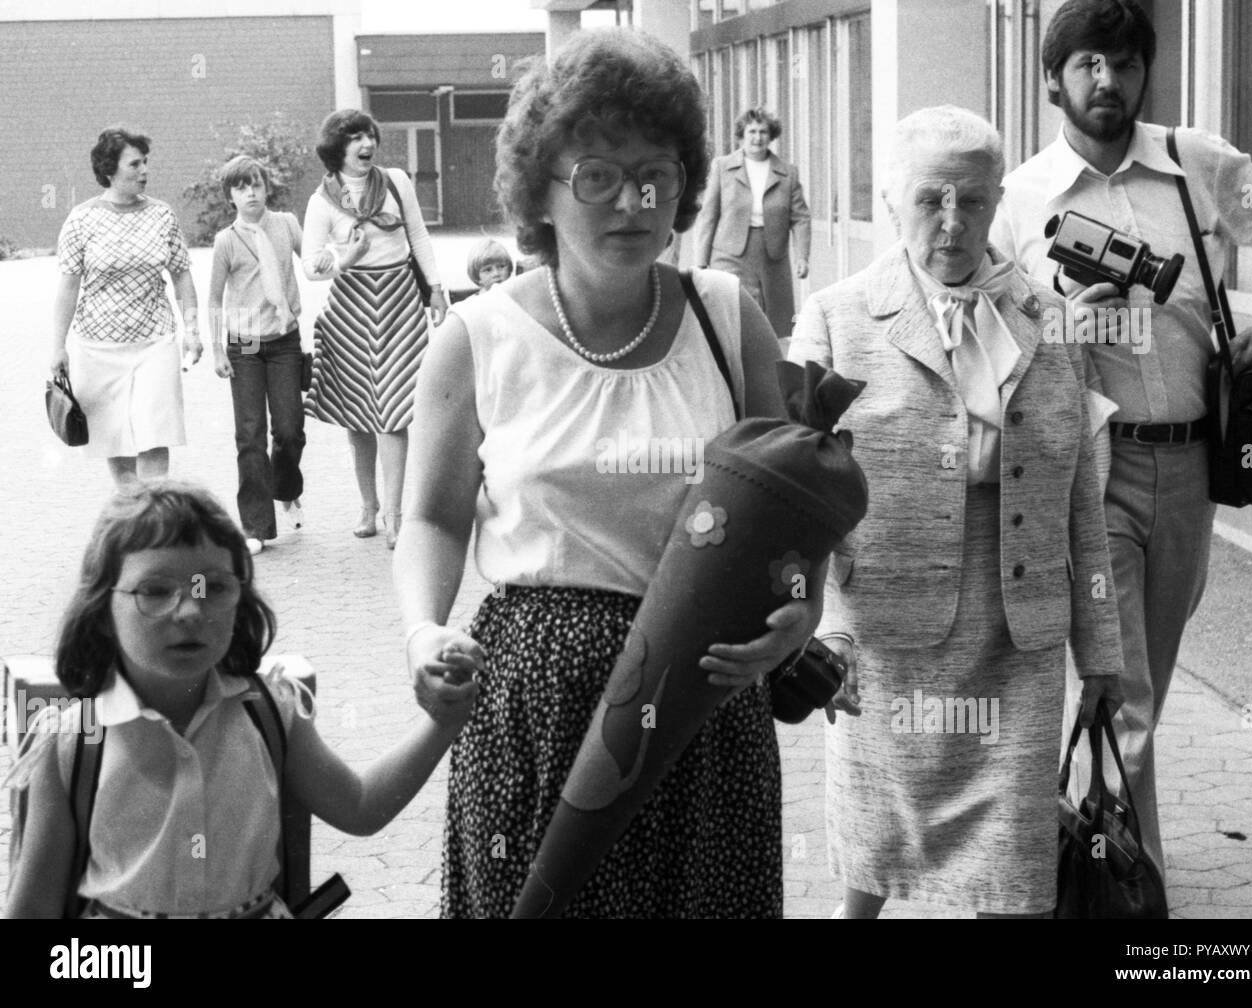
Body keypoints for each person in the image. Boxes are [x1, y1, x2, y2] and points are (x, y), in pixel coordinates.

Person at [394, 27, 820, 918]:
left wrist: (801, 613)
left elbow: (792, 510)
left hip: (705, 704)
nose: (632, 200)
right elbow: (432, 519)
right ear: (540, 191)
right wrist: (421, 631)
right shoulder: (477, 339)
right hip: (536, 710)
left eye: (656, 173)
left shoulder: (726, 314)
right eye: (597, 175)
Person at [989, 0, 1252, 876]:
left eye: (1124, 65)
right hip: (1095, 468)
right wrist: (1057, 324)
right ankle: (1133, 890)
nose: (1107, 82)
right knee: (1120, 689)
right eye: (1087, 64)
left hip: (1193, 466)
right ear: (1052, 78)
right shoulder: (1019, 200)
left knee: (1144, 686)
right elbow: (988, 337)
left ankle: (1085, 843)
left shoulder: (1189, 164)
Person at [791, 106, 1124, 918]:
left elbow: (1086, 501)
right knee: (872, 848)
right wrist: (819, 633)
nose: (952, 222)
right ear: (891, 201)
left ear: (996, 200)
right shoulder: (836, 319)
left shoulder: (1053, 320)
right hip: (885, 626)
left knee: (1011, 871)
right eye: (931, 199)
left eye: (973, 201)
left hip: (1019, 633)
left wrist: (1104, 651)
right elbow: (795, 505)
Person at [3, 480, 477, 919]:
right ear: (102, 607)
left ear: (240, 599)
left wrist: (442, 724)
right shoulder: (70, 742)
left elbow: (359, 806)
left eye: (212, 588)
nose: (189, 610)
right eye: (155, 590)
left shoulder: (269, 712)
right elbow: (33, 909)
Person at [302, 109, 448, 549]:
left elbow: (418, 236)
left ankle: (395, 514)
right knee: (359, 414)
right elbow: (311, 267)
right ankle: (368, 506)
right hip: (351, 305)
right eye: (354, 138)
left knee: (395, 410)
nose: (366, 144)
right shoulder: (321, 201)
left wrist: (436, 288)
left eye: (369, 135)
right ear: (337, 149)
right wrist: (342, 257)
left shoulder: (397, 182)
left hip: (401, 299)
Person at [50, 126, 202, 485]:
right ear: (109, 169)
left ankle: (157, 526)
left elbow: (182, 276)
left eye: (146, 162)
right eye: (135, 164)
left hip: (155, 342)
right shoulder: (81, 220)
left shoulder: (162, 215)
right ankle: (134, 527)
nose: (144, 170)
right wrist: (57, 346)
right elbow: (68, 287)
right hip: (97, 349)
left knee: (155, 438)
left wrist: (192, 330)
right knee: (116, 446)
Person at [208, 155, 306, 556]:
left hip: (283, 338)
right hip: (245, 342)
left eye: (256, 184)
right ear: (231, 196)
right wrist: (217, 348)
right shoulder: (226, 240)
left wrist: (345, 254)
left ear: (267, 188)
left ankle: (285, 487)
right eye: (241, 187)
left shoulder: (286, 225)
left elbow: (315, 261)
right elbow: (215, 299)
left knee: (289, 430)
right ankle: (256, 526)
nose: (250, 193)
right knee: (250, 434)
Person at [694, 108, 811, 345]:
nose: (757, 138)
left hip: (772, 256)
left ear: (771, 136)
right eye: (752, 131)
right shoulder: (722, 167)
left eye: (763, 132)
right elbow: (709, 214)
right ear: (741, 135)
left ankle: (767, 370)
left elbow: (800, 218)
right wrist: (700, 260)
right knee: (730, 314)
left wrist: (802, 257)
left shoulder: (787, 172)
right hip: (729, 252)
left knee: (773, 325)